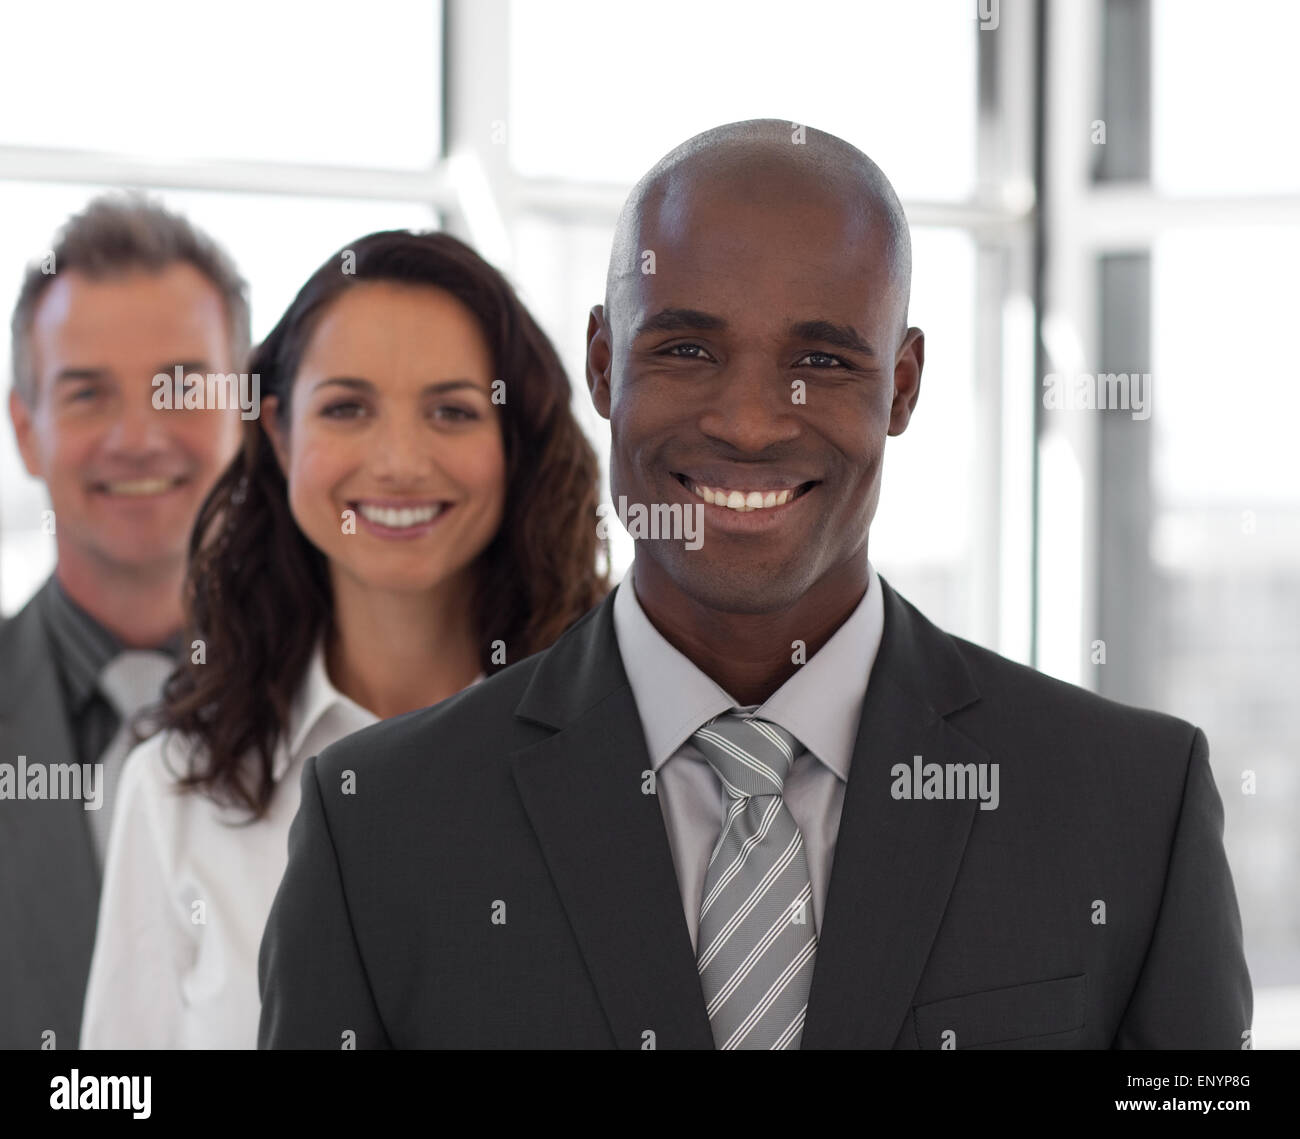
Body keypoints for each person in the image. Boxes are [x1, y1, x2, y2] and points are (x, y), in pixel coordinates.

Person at [258, 121, 1251, 1050]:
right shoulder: (378, 824)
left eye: (820, 357)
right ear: (604, 364)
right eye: (687, 349)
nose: (747, 421)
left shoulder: (1129, 807)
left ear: (902, 385)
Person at [79, 229, 608, 1048]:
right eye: (347, 408)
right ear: (281, 434)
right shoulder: (176, 789)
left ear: (515, 445)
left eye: (452, 410)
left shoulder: (621, 757)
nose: (398, 461)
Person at [1, 194, 247, 1049]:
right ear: (25, 429)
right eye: (87, 393)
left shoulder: (359, 720)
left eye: (180, 388)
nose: (138, 437)